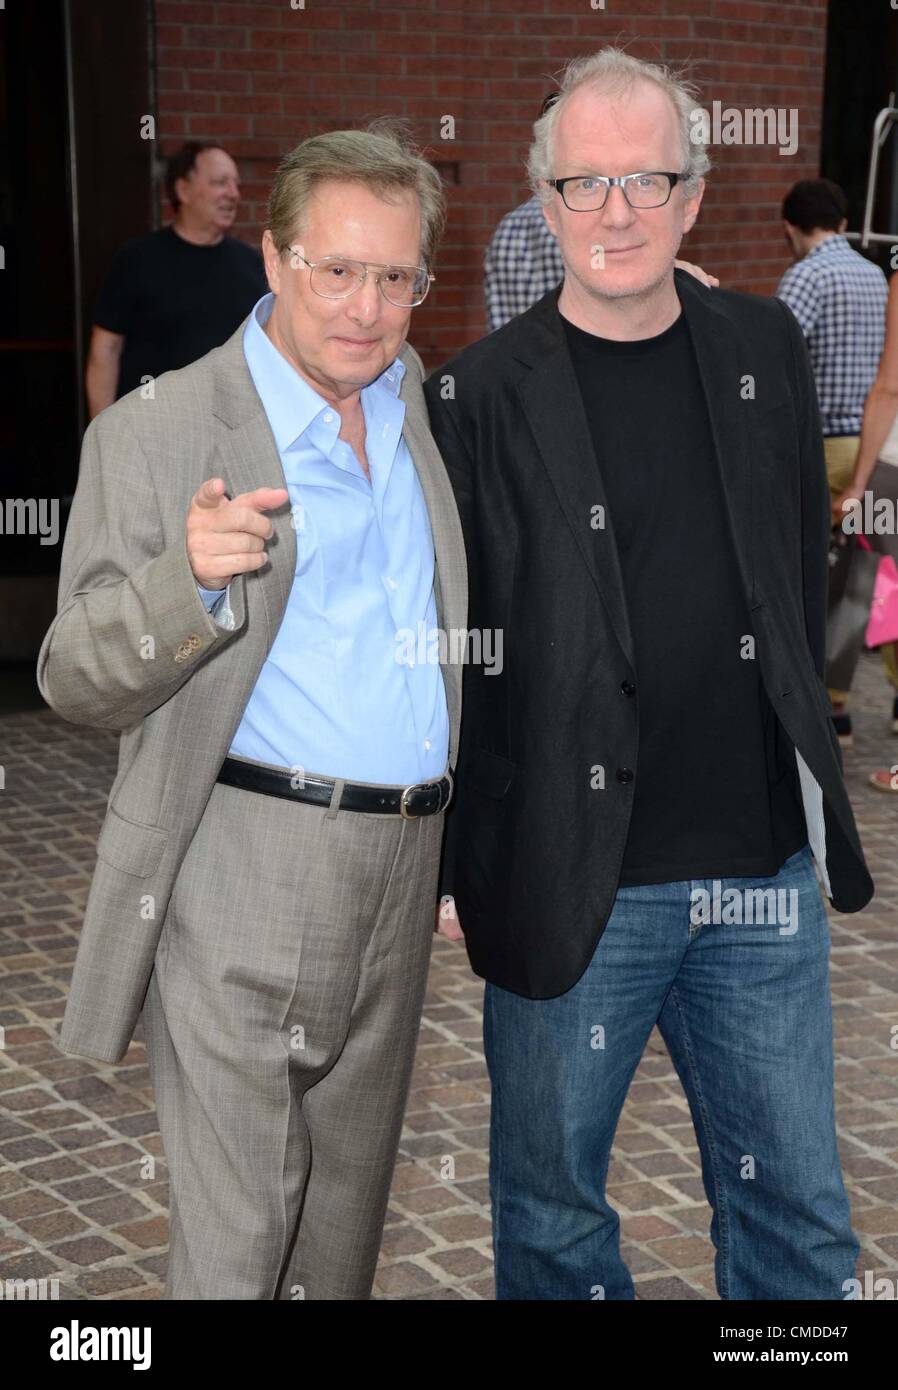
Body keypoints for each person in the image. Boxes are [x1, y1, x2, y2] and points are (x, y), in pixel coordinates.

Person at [425, 46, 873, 1301]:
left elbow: (794, 566)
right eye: (582, 183)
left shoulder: (764, 344)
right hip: (572, 882)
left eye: (645, 179)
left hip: (758, 877)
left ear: (690, 197)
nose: (613, 211)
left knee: (796, 1220)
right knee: (555, 1224)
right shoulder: (474, 397)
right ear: (542, 200)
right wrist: (466, 855)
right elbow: (465, 653)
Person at [38, 125, 467, 1300]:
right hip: (242, 873)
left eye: (395, 277)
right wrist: (188, 584)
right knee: (237, 1250)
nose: (366, 307)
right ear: (271, 260)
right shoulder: (160, 431)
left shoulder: (417, 405)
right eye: (335, 268)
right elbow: (70, 673)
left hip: (399, 871)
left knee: (338, 1246)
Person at [775, 179, 889, 744]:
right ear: (843, 223)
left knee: (817, 577)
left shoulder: (805, 276)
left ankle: (827, 705)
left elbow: (777, 362)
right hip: (876, 445)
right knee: (872, 575)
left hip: (821, 447)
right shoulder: (875, 274)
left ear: (792, 228)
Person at [85, 141, 268, 416]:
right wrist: (102, 435)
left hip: (229, 431)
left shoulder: (251, 263)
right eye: (220, 183)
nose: (233, 194)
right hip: (151, 426)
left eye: (236, 185)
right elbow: (105, 350)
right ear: (183, 190)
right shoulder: (137, 259)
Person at [832, 270, 898, 790]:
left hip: (892, 468)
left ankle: (834, 706)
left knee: (865, 581)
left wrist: (857, 485)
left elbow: (889, 383)